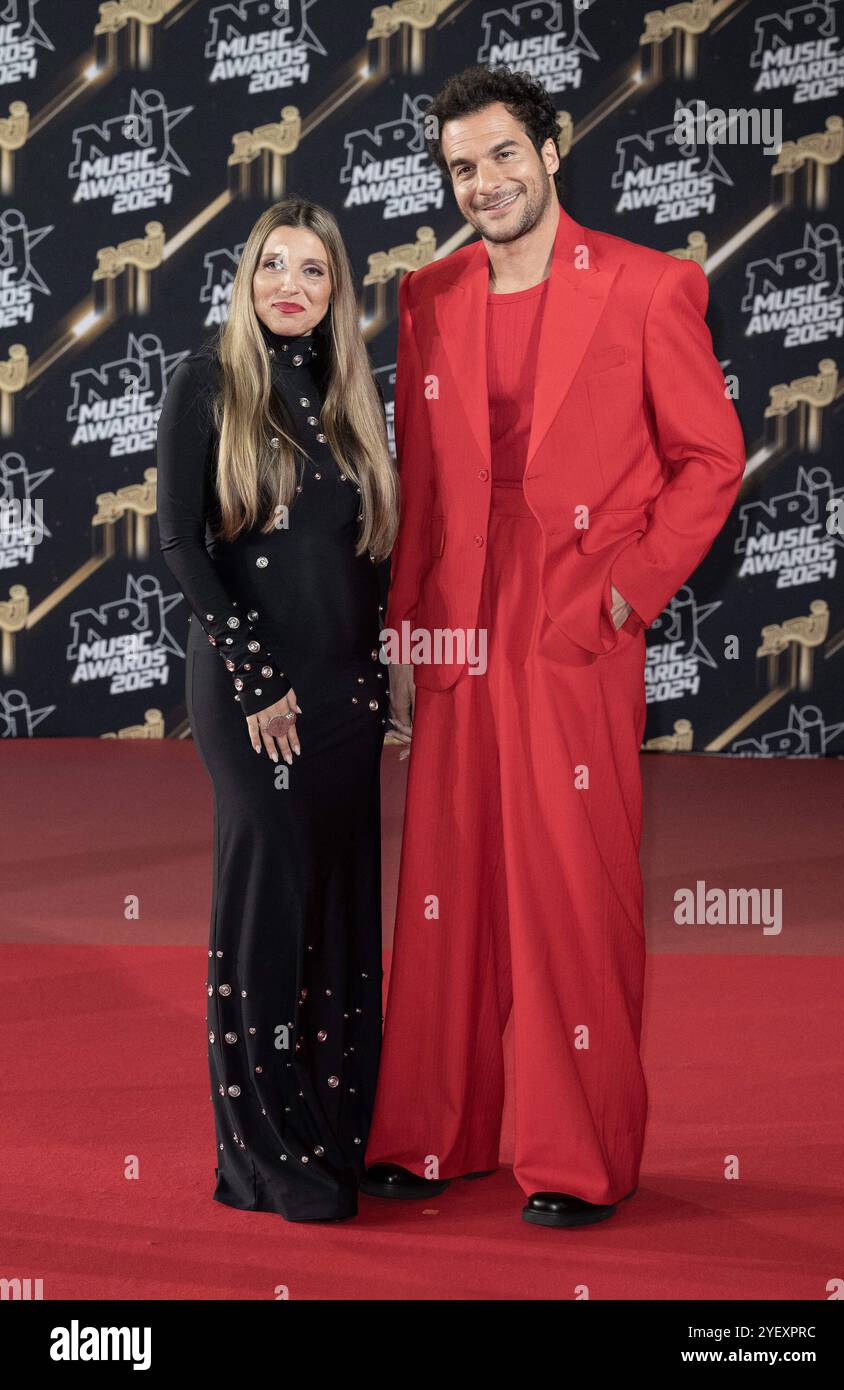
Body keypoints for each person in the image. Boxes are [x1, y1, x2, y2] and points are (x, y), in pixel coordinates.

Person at [362, 66, 746, 1227]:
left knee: (570, 889)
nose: (483, 182)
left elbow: (708, 460)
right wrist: (406, 639)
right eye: (460, 166)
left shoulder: (646, 285)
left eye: (500, 156)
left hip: (571, 624)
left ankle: (577, 1156)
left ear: (549, 149)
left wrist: (622, 596)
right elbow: (423, 487)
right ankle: (432, 1133)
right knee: (442, 888)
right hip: (456, 624)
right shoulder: (426, 293)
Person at [156, 197, 397, 1222]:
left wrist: (381, 682)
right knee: (267, 919)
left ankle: (333, 1133)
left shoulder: (350, 398)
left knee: (341, 920)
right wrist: (258, 682)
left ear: (337, 292)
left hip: (345, 698)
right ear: (245, 280)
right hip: (258, 703)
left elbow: (363, 564)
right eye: (270, 267)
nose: (288, 287)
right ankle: (259, 1155)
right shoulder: (206, 384)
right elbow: (183, 547)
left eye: (311, 271)